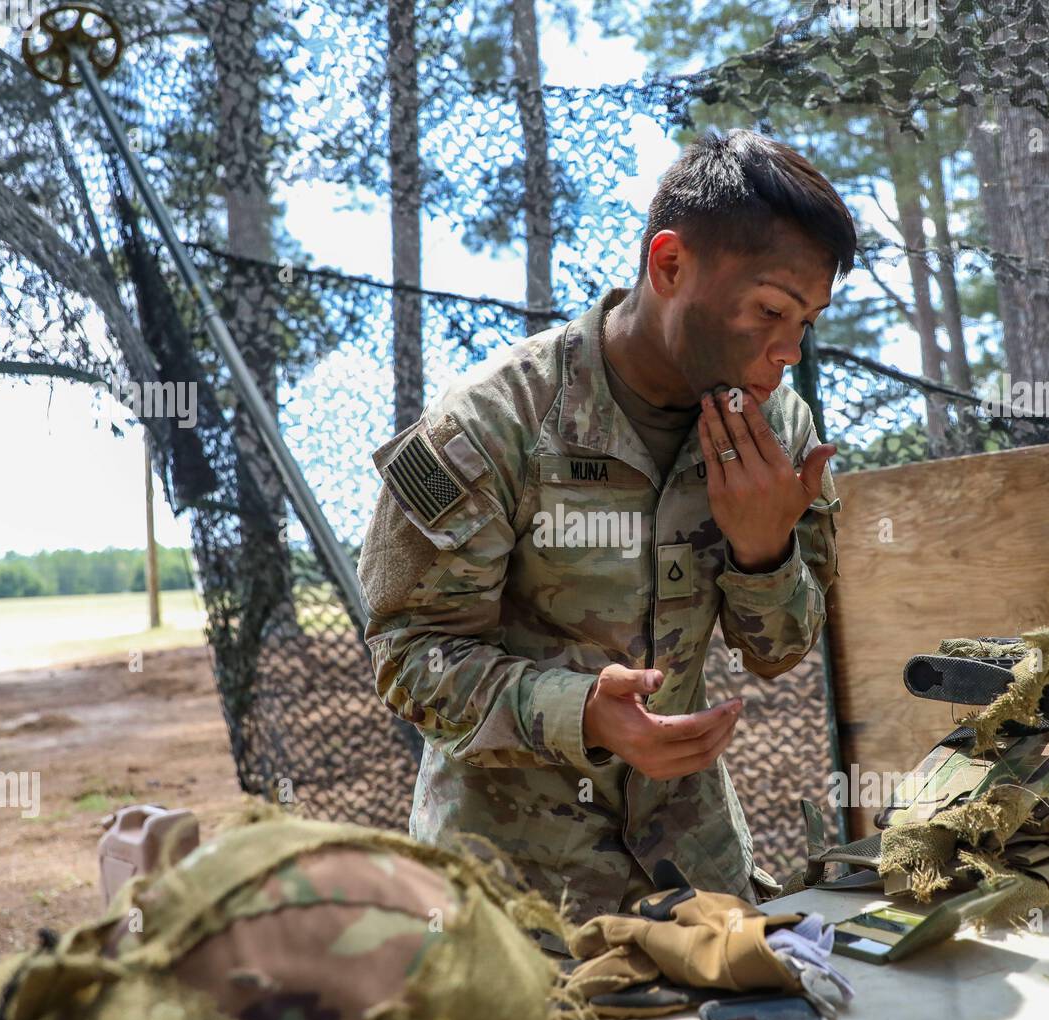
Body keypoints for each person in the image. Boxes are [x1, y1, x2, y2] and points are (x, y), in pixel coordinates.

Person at [357, 128, 854, 945]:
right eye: (769, 310)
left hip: (697, 879)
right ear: (669, 266)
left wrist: (763, 551)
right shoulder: (494, 422)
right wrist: (582, 712)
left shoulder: (782, 431)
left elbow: (780, 650)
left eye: (806, 322)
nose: (786, 353)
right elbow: (410, 655)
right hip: (511, 904)